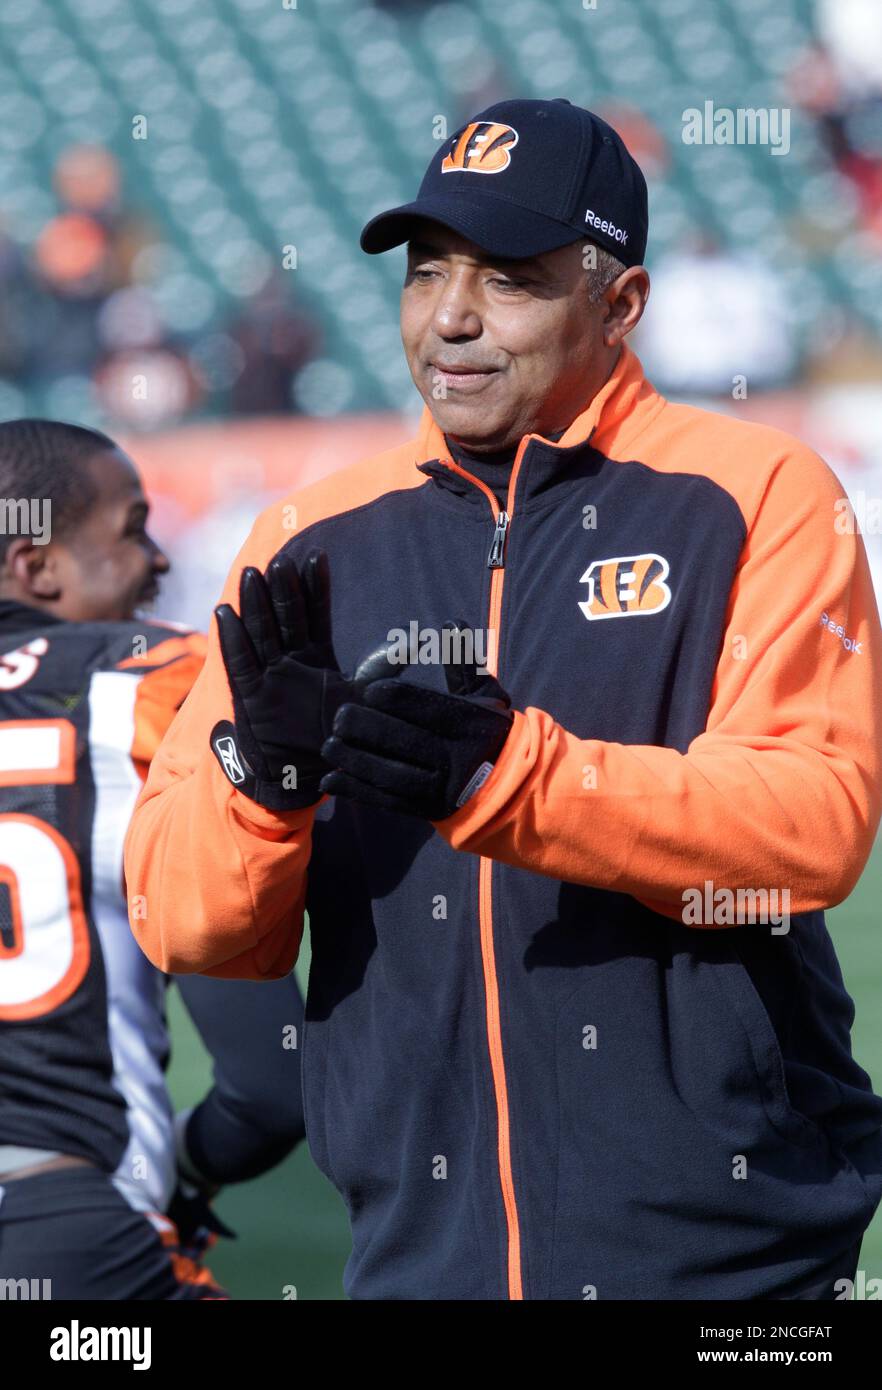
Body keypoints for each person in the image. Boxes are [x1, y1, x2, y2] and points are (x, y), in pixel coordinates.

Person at [126, 99, 882, 1301]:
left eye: (510, 281)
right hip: (418, 1261)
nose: (451, 320)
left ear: (618, 305)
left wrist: (509, 779)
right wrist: (256, 788)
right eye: (428, 275)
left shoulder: (757, 493)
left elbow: (812, 823)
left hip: (736, 1272)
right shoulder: (303, 536)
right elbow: (190, 926)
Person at [0, 420, 305, 1299]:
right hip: (66, 1226)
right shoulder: (158, 682)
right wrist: (191, 1168)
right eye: (132, 529)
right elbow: (269, 1091)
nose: (159, 560)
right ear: (36, 566)